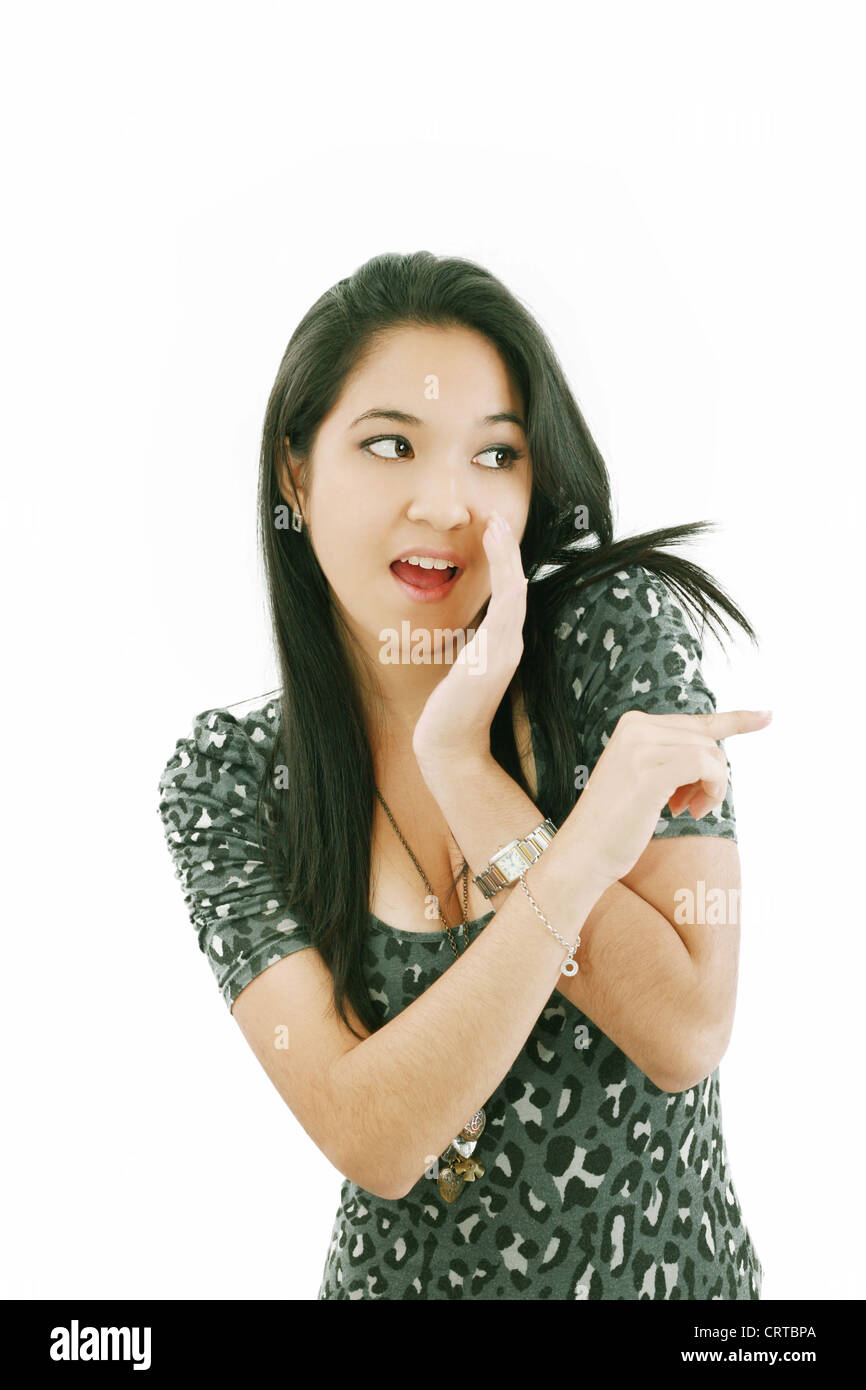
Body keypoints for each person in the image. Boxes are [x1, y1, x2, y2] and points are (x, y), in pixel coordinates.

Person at [157, 250, 770, 1300]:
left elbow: (683, 1030)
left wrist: (463, 769)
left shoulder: (610, 646)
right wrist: (574, 860)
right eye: (390, 444)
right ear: (295, 472)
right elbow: (371, 1135)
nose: (445, 502)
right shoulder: (228, 777)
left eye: (495, 455)